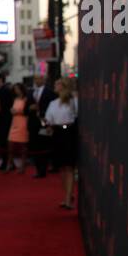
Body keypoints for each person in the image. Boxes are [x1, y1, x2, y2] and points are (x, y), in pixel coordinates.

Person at [45, 77, 79, 209]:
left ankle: (68, 199)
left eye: (57, 84)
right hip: (57, 134)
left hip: (69, 134)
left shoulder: (73, 102)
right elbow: (48, 119)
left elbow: (76, 118)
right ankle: (67, 195)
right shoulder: (53, 103)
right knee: (61, 168)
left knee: (69, 166)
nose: (54, 86)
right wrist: (47, 126)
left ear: (63, 86)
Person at [6, 82, 31, 172]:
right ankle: (10, 164)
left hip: (23, 122)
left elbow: (28, 111)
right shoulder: (14, 99)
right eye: (15, 89)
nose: (16, 91)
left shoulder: (26, 99)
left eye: (17, 89)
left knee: (23, 146)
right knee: (10, 144)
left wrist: (18, 112)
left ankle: (22, 165)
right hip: (14, 122)